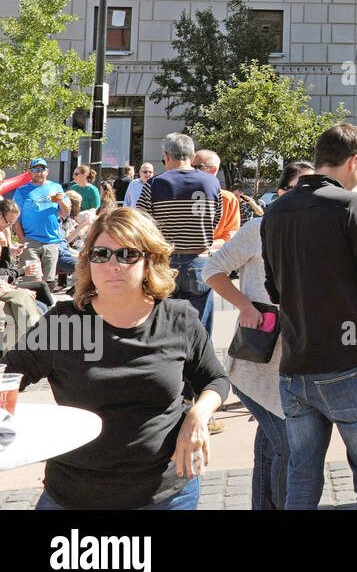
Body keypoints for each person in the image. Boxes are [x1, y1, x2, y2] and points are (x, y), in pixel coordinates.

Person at [1, 207, 229, 509]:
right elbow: (8, 375)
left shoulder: (178, 318)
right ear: (88, 261)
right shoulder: (64, 324)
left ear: (150, 259)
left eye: (127, 254)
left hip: (166, 493)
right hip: (74, 494)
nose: (112, 265)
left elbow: (216, 378)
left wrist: (197, 414)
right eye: (100, 254)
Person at [261, 123, 357, 510]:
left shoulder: (276, 209)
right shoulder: (347, 202)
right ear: (354, 161)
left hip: (295, 362)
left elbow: (275, 289)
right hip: (346, 360)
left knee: (302, 476)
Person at [201, 161, 315, 510]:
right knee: (287, 444)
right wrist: (245, 306)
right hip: (257, 359)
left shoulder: (315, 232)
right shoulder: (259, 228)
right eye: (298, 187)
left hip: (292, 360)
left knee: (270, 444)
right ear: (280, 193)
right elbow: (212, 269)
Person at [137, 134, 223, 342]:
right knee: (199, 332)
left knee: (164, 329)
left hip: (165, 262)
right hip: (200, 261)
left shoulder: (155, 184)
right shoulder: (212, 182)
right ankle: (198, 371)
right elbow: (216, 219)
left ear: (166, 156)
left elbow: (140, 223)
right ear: (193, 157)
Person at [9, 158, 71, 287]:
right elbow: (16, 219)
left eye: (42, 169)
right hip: (31, 241)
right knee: (33, 280)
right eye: (35, 169)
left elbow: (65, 213)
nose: (39, 172)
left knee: (49, 282)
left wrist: (61, 201)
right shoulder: (22, 191)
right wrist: (22, 239)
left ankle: (46, 306)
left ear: (47, 171)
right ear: (30, 172)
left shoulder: (55, 187)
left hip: (52, 241)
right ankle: (32, 306)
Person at [194, 150, 241, 251]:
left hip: (213, 257)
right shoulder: (178, 194)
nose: (189, 171)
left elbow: (230, 235)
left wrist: (207, 247)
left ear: (212, 170)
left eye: (196, 167)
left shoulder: (228, 199)